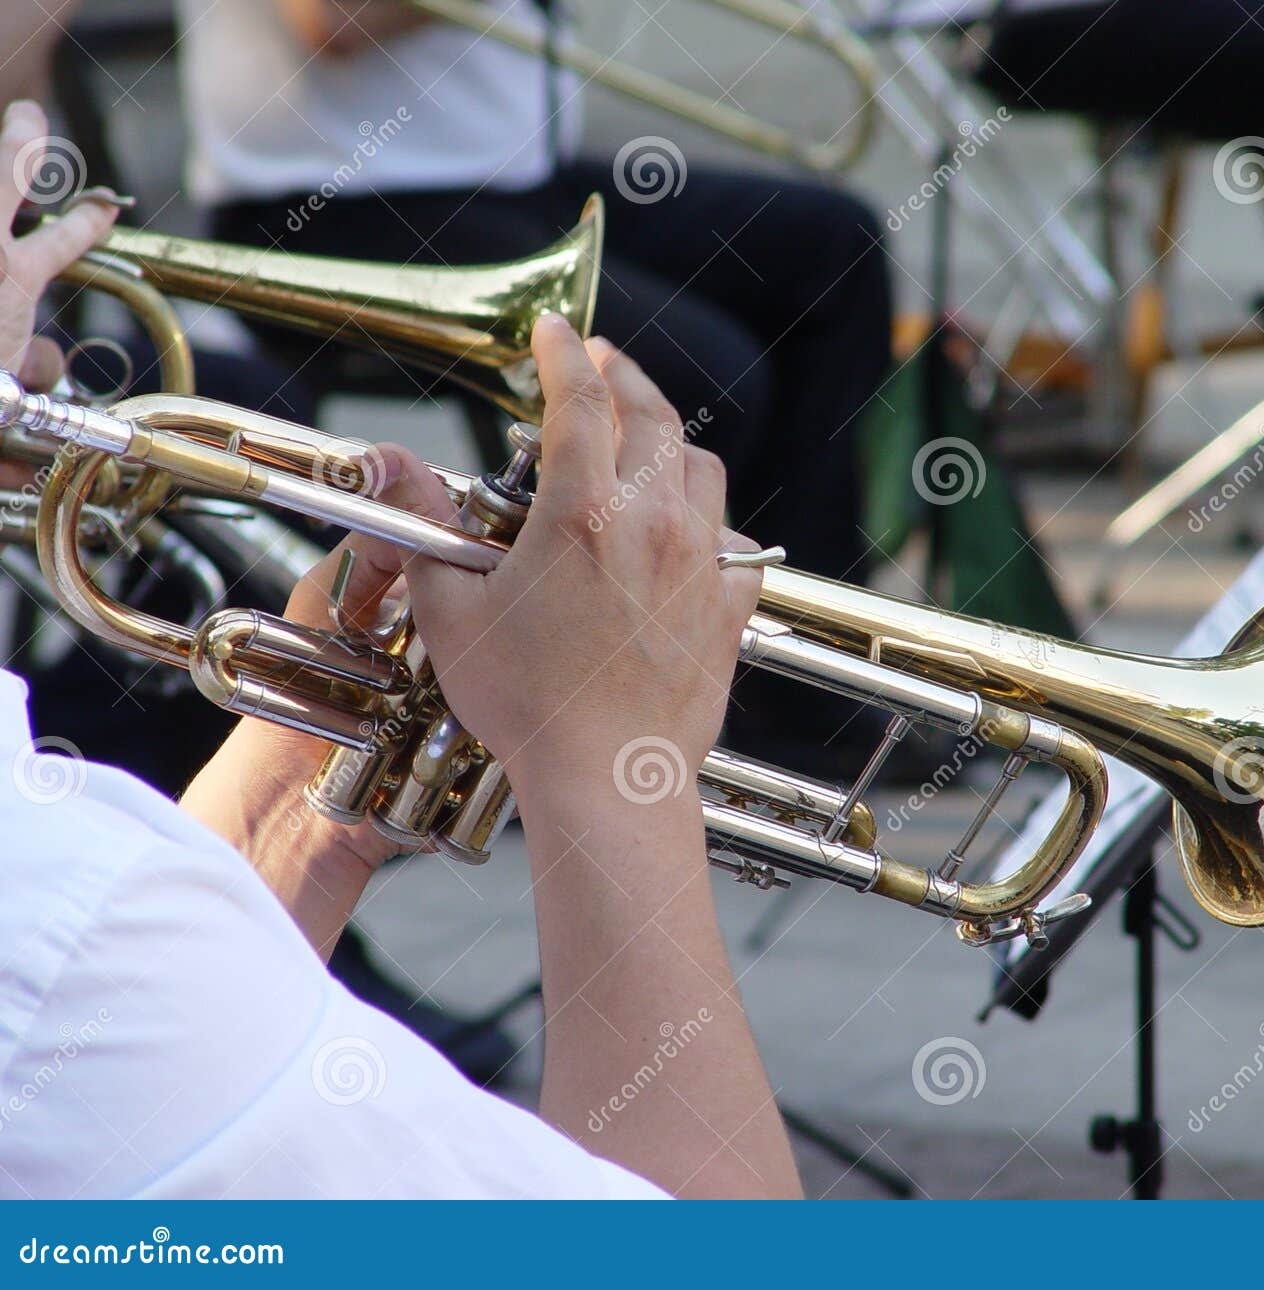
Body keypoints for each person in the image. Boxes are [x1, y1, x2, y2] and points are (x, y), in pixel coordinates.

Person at [0, 98, 801, 1199]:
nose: (43, 350)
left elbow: (125, 1061)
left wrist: (296, 806)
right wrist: (614, 767)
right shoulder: (56, 921)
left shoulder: (72, 912)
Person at [174, 0, 895, 777]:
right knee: (700, 381)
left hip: (509, 179)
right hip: (330, 204)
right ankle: (557, 728)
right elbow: (335, 20)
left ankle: (802, 703)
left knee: (830, 248)